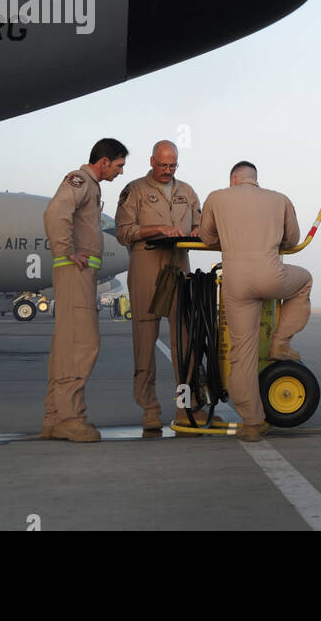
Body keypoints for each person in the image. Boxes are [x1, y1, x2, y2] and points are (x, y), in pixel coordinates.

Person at [198, 161, 312, 442]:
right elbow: (292, 239)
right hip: (270, 274)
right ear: (255, 179)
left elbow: (206, 237)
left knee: (242, 354)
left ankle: (251, 423)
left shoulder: (216, 197)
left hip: (235, 281)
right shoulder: (280, 199)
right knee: (304, 281)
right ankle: (280, 342)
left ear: (234, 179)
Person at [113, 140, 203, 437]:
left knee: (185, 343)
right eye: (162, 165)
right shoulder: (135, 190)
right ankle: (149, 409)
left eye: (173, 165)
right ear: (152, 161)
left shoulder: (187, 191)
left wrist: (202, 231)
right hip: (147, 267)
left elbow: (202, 224)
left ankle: (185, 407)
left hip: (179, 267)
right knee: (145, 342)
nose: (167, 170)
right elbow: (123, 233)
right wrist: (158, 229)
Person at [41, 138, 128, 442]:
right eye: (118, 166)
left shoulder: (91, 186)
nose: (120, 172)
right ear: (104, 162)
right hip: (75, 272)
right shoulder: (81, 181)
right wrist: (66, 251)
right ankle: (70, 417)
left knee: (67, 345)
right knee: (82, 344)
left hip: (78, 273)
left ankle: (54, 418)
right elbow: (55, 212)